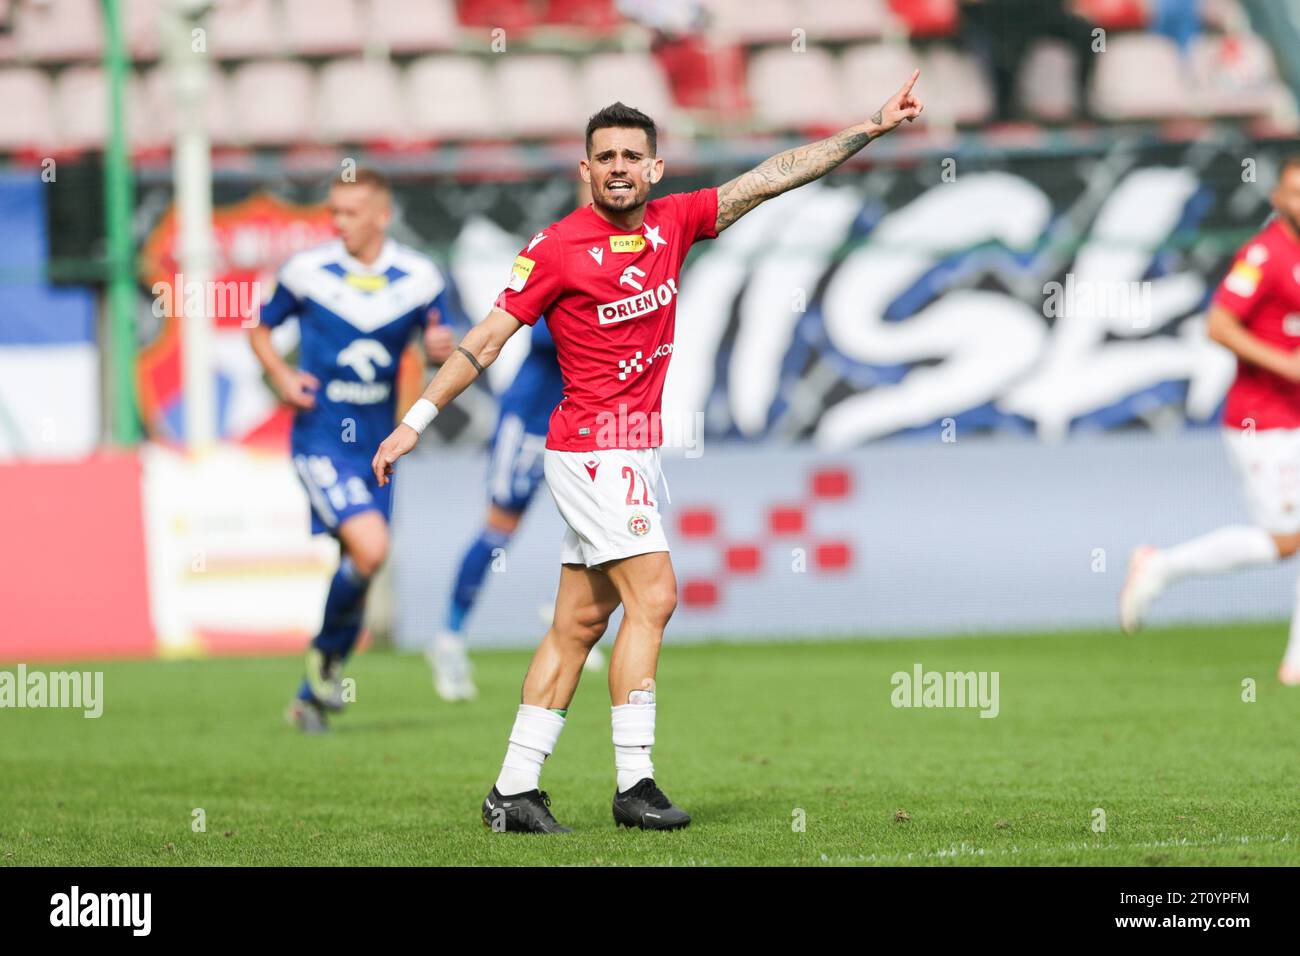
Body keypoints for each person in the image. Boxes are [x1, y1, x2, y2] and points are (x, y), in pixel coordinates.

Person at [373, 75, 924, 832]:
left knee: (576, 626)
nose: (621, 166)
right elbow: (488, 337)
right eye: (606, 156)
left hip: (633, 453)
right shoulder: (557, 249)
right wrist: (417, 418)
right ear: (586, 170)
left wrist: (870, 126)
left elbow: (771, 177)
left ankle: (512, 792)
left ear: (656, 168)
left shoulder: (675, 223)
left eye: (634, 153)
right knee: (656, 597)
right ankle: (635, 783)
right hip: (592, 451)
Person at [250, 168, 456, 733]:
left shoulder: (418, 277)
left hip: (378, 445)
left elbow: (445, 345)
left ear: (380, 215)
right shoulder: (306, 273)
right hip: (320, 438)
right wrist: (282, 379)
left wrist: (443, 348)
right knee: (370, 547)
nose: (337, 221)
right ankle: (324, 662)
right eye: (333, 210)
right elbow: (261, 330)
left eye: (349, 211)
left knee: (363, 561)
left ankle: (312, 689)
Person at [1121, 156, 1300, 686]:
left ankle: (1296, 663)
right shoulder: (1264, 255)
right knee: (1285, 541)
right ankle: (1160, 566)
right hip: (1263, 420)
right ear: (1278, 199)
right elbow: (1218, 323)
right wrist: (1283, 362)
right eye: (1296, 192)